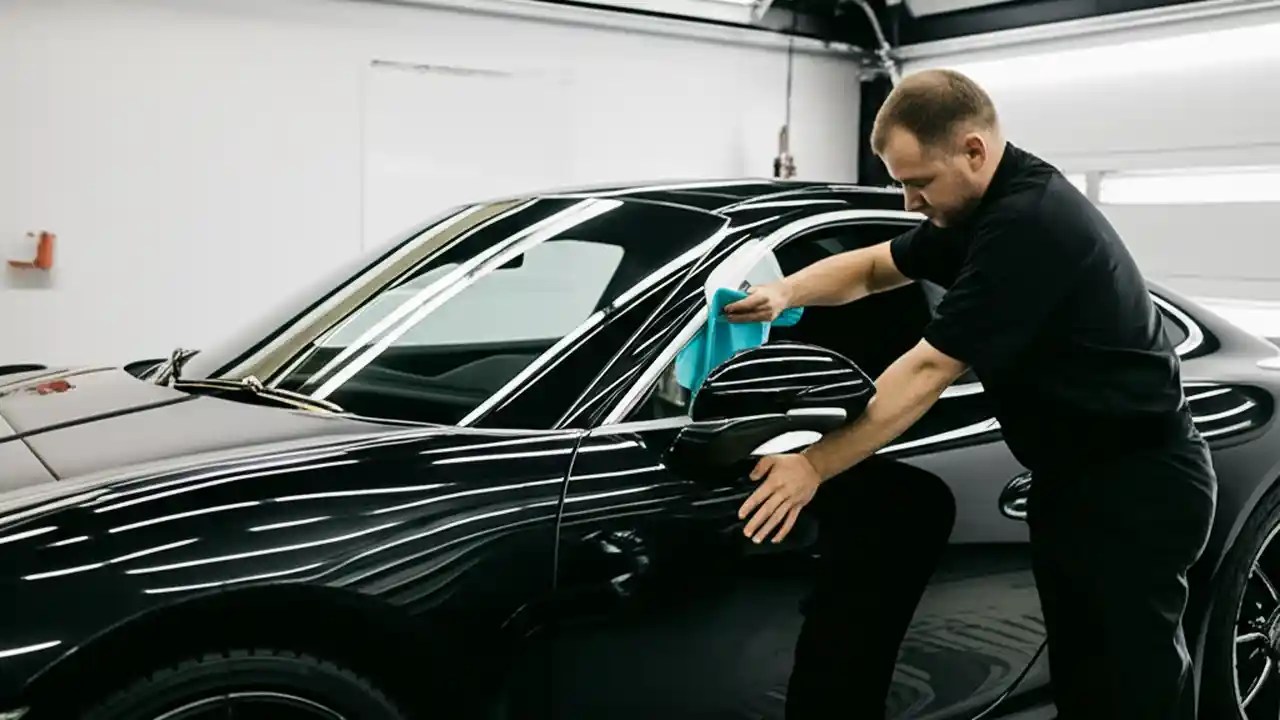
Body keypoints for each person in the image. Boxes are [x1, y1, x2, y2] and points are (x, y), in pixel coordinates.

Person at [723, 68, 1218, 719]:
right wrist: (785, 291)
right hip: (1077, 482)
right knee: (1087, 686)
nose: (907, 201)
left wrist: (814, 464)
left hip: (1134, 486)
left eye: (917, 182)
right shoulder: (977, 208)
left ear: (974, 151)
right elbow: (875, 268)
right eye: (900, 182)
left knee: (1126, 692)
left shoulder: (1027, 225)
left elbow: (929, 369)